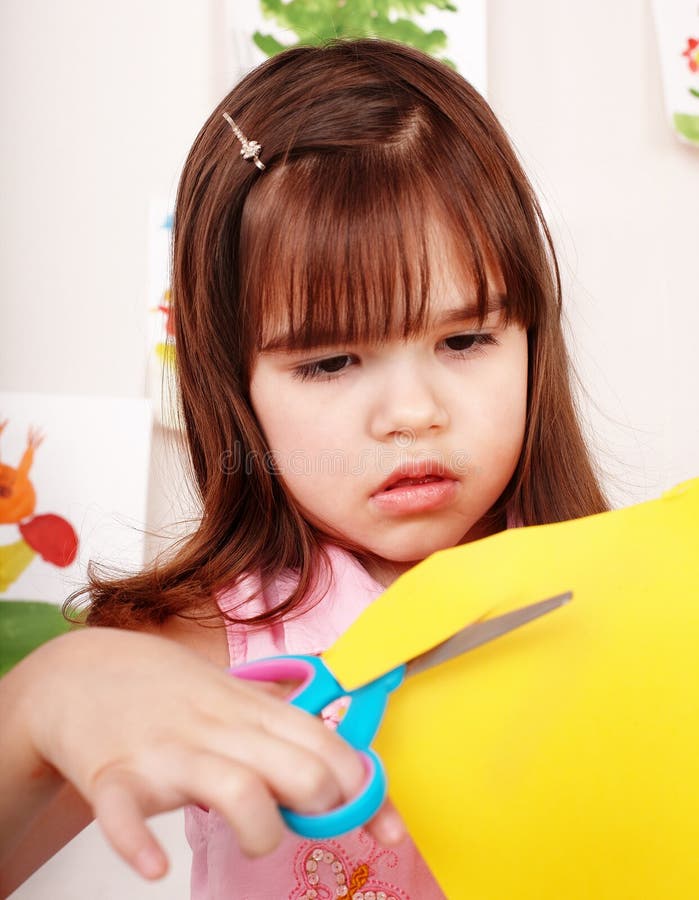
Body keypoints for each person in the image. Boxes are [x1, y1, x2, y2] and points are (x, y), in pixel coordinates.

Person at [0, 37, 608, 898]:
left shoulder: (628, 599)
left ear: (531, 340)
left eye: (464, 340)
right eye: (328, 362)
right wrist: (38, 703)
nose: (411, 413)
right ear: (234, 387)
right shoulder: (199, 646)